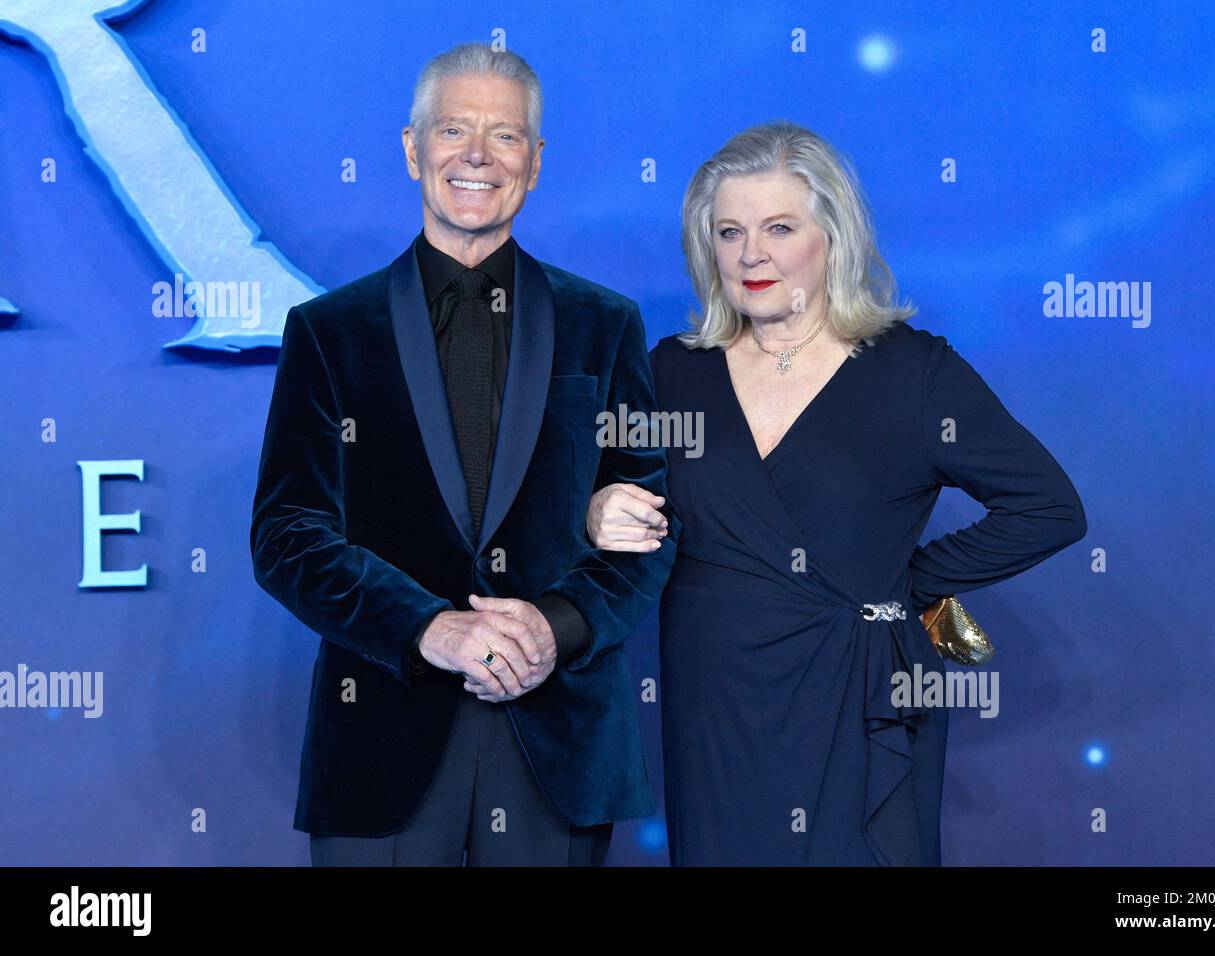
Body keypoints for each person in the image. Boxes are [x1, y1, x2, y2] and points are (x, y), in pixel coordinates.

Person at [586, 121, 1087, 865]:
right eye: (729, 231)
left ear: (832, 236)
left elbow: (1049, 508)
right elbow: (590, 495)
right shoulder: (671, 372)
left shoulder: (914, 374)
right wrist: (598, 512)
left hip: (856, 697)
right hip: (713, 705)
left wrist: (903, 584)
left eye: (779, 227)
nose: (750, 253)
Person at [250, 42, 678, 866]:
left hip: (559, 745)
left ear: (536, 160)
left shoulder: (608, 324)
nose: (477, 155)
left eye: (505, 135)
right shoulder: (329, 332)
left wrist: (555, 629)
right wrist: (429, 630)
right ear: (412, 149)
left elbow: (648, 528)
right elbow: (287, 535)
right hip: (383, 738)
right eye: (453, 130)